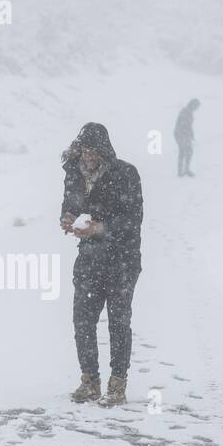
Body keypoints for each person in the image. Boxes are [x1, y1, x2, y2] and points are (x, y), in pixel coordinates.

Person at [59, 122, 144, 407]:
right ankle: (89, 381)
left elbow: (133, 220)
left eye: (94, 152)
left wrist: (100, 229)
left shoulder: (126, 174)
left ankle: (117, 385)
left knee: (119, 323)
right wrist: (69, 218)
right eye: (84, 150)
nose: (88, 156)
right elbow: (70, 202)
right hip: (89, 260)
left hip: (122, 260)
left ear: (105, 151)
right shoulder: (75, 172)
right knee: (82, 321)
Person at [173, 98, 200, 177]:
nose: (196, 109)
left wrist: (191, 135)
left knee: (187, 151)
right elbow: (184, 125)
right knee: (185, 151)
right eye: (196, 106)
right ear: (192, 105)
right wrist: (188, 134)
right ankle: (182, 171)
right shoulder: (185, 112)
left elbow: (189, 126)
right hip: (180, 134)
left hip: (183, 134)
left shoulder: (188, 112)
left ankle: (184, 170)